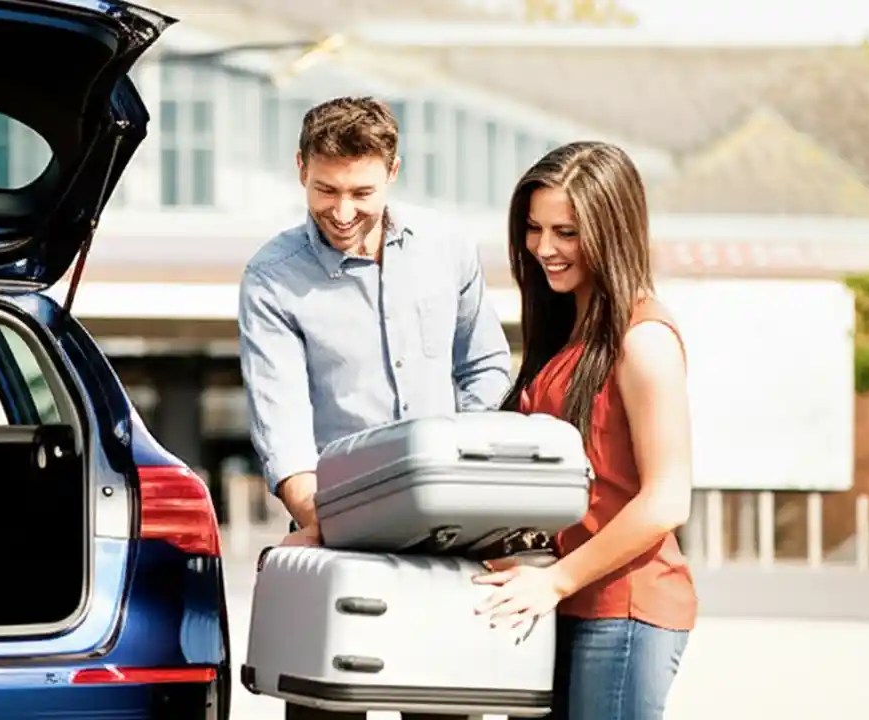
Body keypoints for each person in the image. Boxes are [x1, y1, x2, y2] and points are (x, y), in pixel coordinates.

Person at [473, 141, 697, 720]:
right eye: (534, 229)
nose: (544, 248)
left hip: (622, 608)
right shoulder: (567, 335)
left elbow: (667, 499)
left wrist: (556, 580)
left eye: (566, 233)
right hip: (563, 602)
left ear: (611, 231)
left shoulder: (643, 339)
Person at [237, 95, 512, 554]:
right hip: (342, 524)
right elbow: (283, 428)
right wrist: (330, 524)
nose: (343, 213)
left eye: (362, 194)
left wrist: (464, 473)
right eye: (326, 190)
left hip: (453, 517)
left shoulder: (448, 246)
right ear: (301, 169)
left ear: (392, 172)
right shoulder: (271, 279)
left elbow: (483, 366)